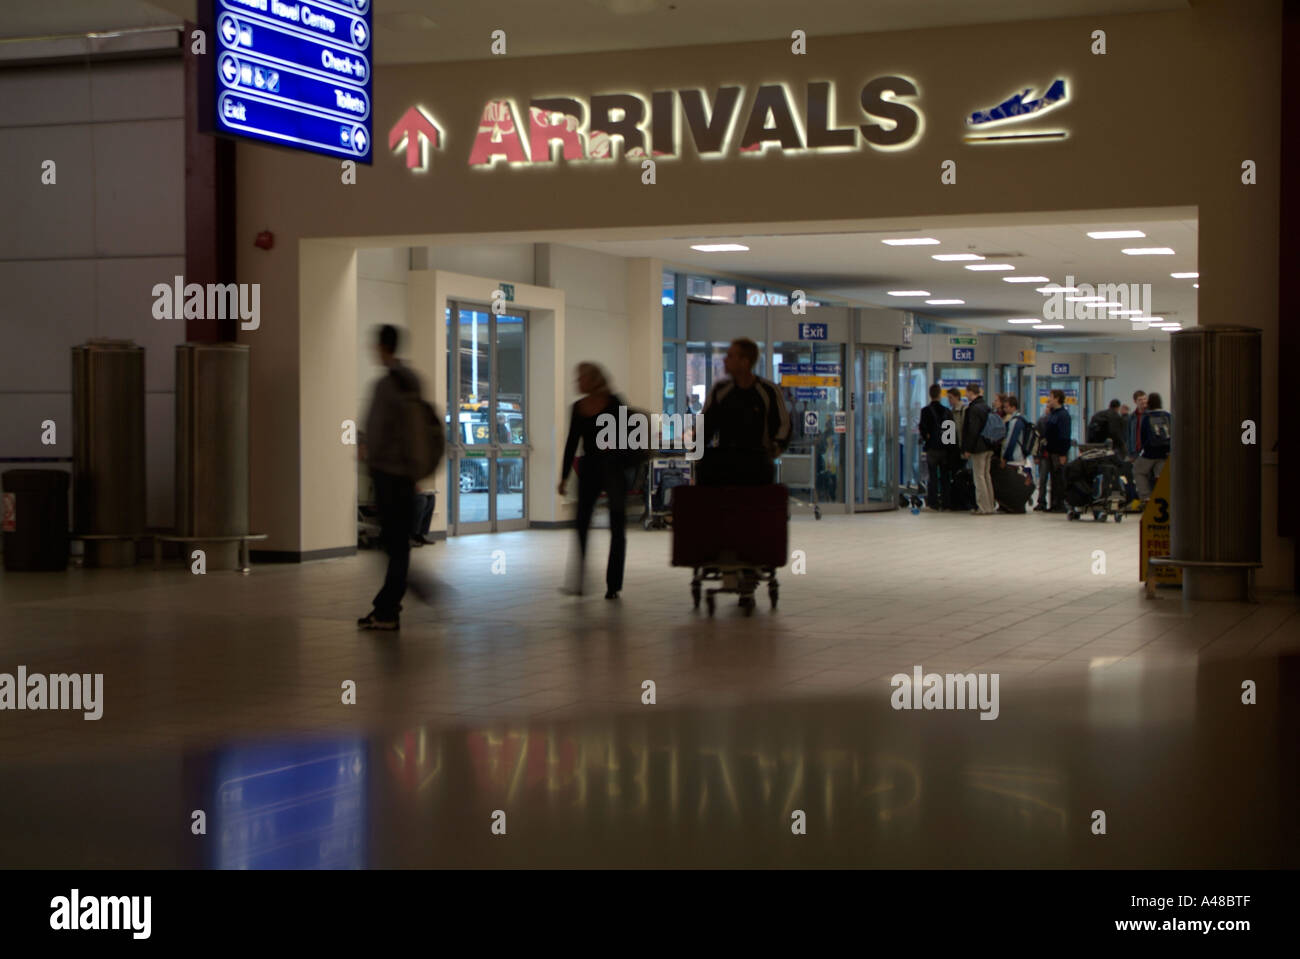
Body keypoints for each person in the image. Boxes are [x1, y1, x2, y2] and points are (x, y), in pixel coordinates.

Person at [358, 324, 426, 631]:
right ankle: (390, 604)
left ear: (383, 347)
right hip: (405, 475)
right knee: (396, 543)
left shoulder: (386, 386)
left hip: (388, 475)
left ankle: (388, 608)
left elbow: (375, 430)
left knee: (393, 544)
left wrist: (367, 451)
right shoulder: (412, 381)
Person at [558, 362, 627, 599]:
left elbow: (626, 438)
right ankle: (578, 581)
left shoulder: (615, 404)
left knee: (617, 527)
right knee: (581, 524)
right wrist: (564, 476)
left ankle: (613, 585)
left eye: (580, 378)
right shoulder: (577, 408)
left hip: (613, 467)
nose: (577, 383)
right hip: (589, 468)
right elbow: (571, 442)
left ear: (593, 379)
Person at [698, 338, 791, 486]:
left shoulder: (768, 391)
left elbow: (783, 424)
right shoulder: (721, 390)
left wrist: (776, 447)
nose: (725, 360)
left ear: (744, 361)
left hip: (757, 465)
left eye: (730, 356)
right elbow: (705, 424)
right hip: (726, 465)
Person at [960, 383, 996, 515]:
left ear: (971, 392)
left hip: (978, 448)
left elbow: (972, 431)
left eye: (966, 392)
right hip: (989, 446)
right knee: (986, 476)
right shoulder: (986, 407)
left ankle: (983, 507)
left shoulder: (974, 409)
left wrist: (967, 448)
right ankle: (990, 505)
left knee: (979, 477)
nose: (965, 395)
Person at [918, 384, 953, 510]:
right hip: (944, 449)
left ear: (930, 395)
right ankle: (946, 502)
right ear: (940, 395)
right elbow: (950, 431)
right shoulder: (947, 411)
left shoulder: (925, 411)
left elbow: (922, 428)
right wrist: (950, 448)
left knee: (932, 476)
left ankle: (933, 502)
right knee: (945, 477)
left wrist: (928, 437)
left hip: (932, 448)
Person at [1134, 391, 1172, 502]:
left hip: (1149, 453)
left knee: (1138, 471)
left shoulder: (1147, 417)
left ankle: (1146, 497)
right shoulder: (1168, 416)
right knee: (1161, 477)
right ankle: (1163, 497)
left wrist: (1142, 450)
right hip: (1165, 453)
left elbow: (1143, 437)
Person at [1043, 389, 1072, 512]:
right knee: (1053, 479)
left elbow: (1065, 435)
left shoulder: (1063, 415)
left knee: (1059, 477)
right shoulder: (1053, 414)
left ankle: (1060, 503)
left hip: (1058, 451)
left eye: (1051, 396)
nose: (1049, 399)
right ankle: (1054, 503)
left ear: (1057, 398)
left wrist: (1063, 453)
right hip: (1050, 450)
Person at [1126, 390, 1148, 462]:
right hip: (1135, 452)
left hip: (1148, 452)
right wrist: (1129, 453)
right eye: (1140, 400)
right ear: (1135, 402)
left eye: (1145, 399)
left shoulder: (1150, 415)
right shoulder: (1131, 417)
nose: (1143, 401)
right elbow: (1128, 436)